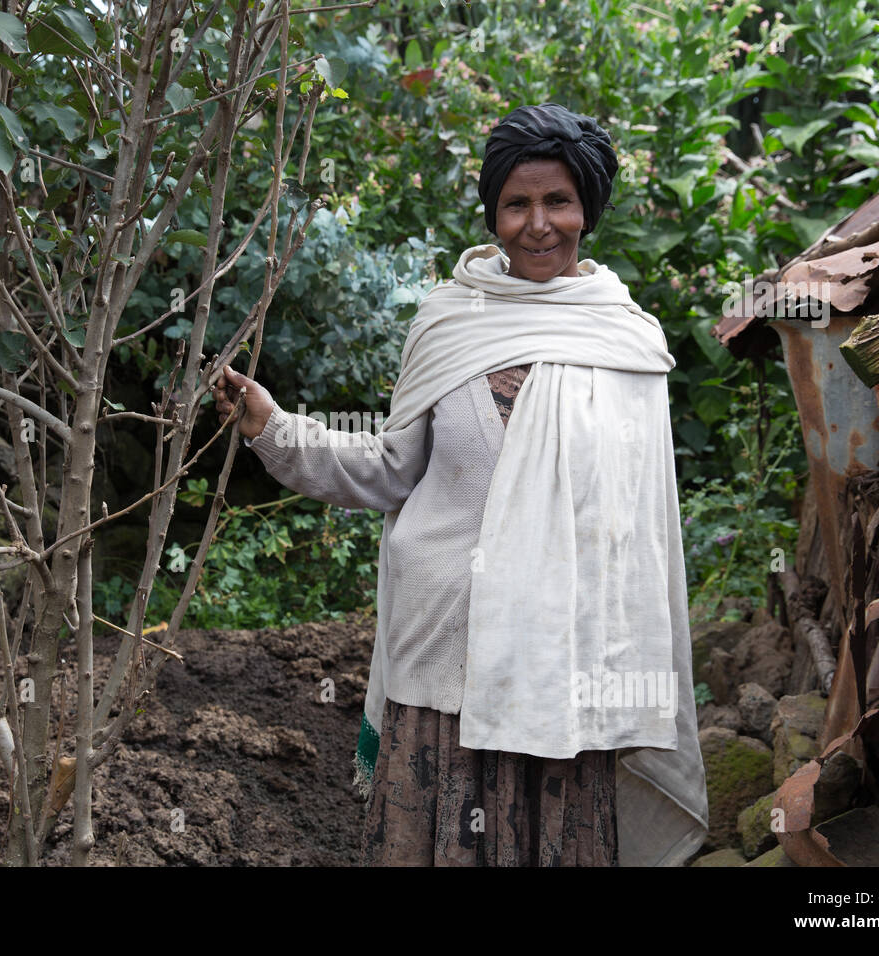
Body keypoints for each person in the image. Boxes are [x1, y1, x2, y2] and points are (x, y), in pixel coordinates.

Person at [211, 103, 709, 867]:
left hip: (564, 667)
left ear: (589, 209)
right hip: (446, 655)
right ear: (494, 212)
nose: (538, 224)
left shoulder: (628, 342)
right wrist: (275, 427)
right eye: (517, 203)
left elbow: (644, 530)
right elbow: (388, 470)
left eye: (558, 201)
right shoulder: (448, 326)